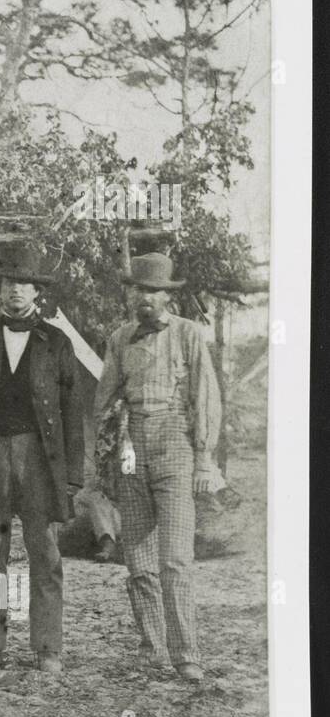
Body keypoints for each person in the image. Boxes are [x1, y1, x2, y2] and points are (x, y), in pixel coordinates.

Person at [0, 248, 83, 674]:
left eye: (24, 285)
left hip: (41, 459)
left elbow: (71, 414)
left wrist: (73, 477)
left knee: (45, 553)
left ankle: (48, 649)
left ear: (36, 292)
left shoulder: (57, 343)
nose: (15, 293)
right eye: (8, 285)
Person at [92, 252, 223, 683]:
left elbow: (205, 398)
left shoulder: (189, 335)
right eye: (138, 289)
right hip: (132, 447)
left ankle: (187, 653)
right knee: (140, 562)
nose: (144, 298)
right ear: (130, 293)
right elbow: (105, 398)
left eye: (153, 291)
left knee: (176, 559)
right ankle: (152, 649)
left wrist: (203, 457)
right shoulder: (119, 338)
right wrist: (109, 451)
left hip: (175, 444)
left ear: (167, 296)